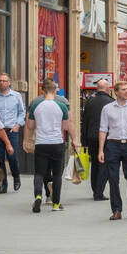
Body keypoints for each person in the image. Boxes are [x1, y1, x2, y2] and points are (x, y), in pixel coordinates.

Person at [27, 79, 79, 213]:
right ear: (55, 91)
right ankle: (56, 204)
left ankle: (38, 195)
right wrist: (74, 140)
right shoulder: (61, 105)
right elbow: (66, 126)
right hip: (57, 143)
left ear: (42, 91)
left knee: (39, 173)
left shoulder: (36, 105)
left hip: (41, 143)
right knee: (56, 175)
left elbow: (30, 126)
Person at [98, 80, 127, 221]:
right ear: (116, 92)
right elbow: (103, 129)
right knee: (113, 179)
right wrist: (101, 150)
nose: (126, 91)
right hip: (113, 145)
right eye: (123, 89)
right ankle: (117, 210)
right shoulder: (107, 108)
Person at [0, 73, 26, 193]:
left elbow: (21, 113)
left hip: (11, 130)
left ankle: (16, 176)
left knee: (12, 156)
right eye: (0, 81)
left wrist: (18, 125)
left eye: (4, 81)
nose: (1, 83)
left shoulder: (16, 96)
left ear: (9, 83)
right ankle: (3, 185)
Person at [81, 78, 114, 201]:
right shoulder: (111, 102)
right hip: (106, 137)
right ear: (107, 89)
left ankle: (95, 189)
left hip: (91, 137)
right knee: (104, 164)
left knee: (95, 164)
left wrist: (83, 140)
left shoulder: (90, 102)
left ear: (97, 88)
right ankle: (99, 192)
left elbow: (85, 123)